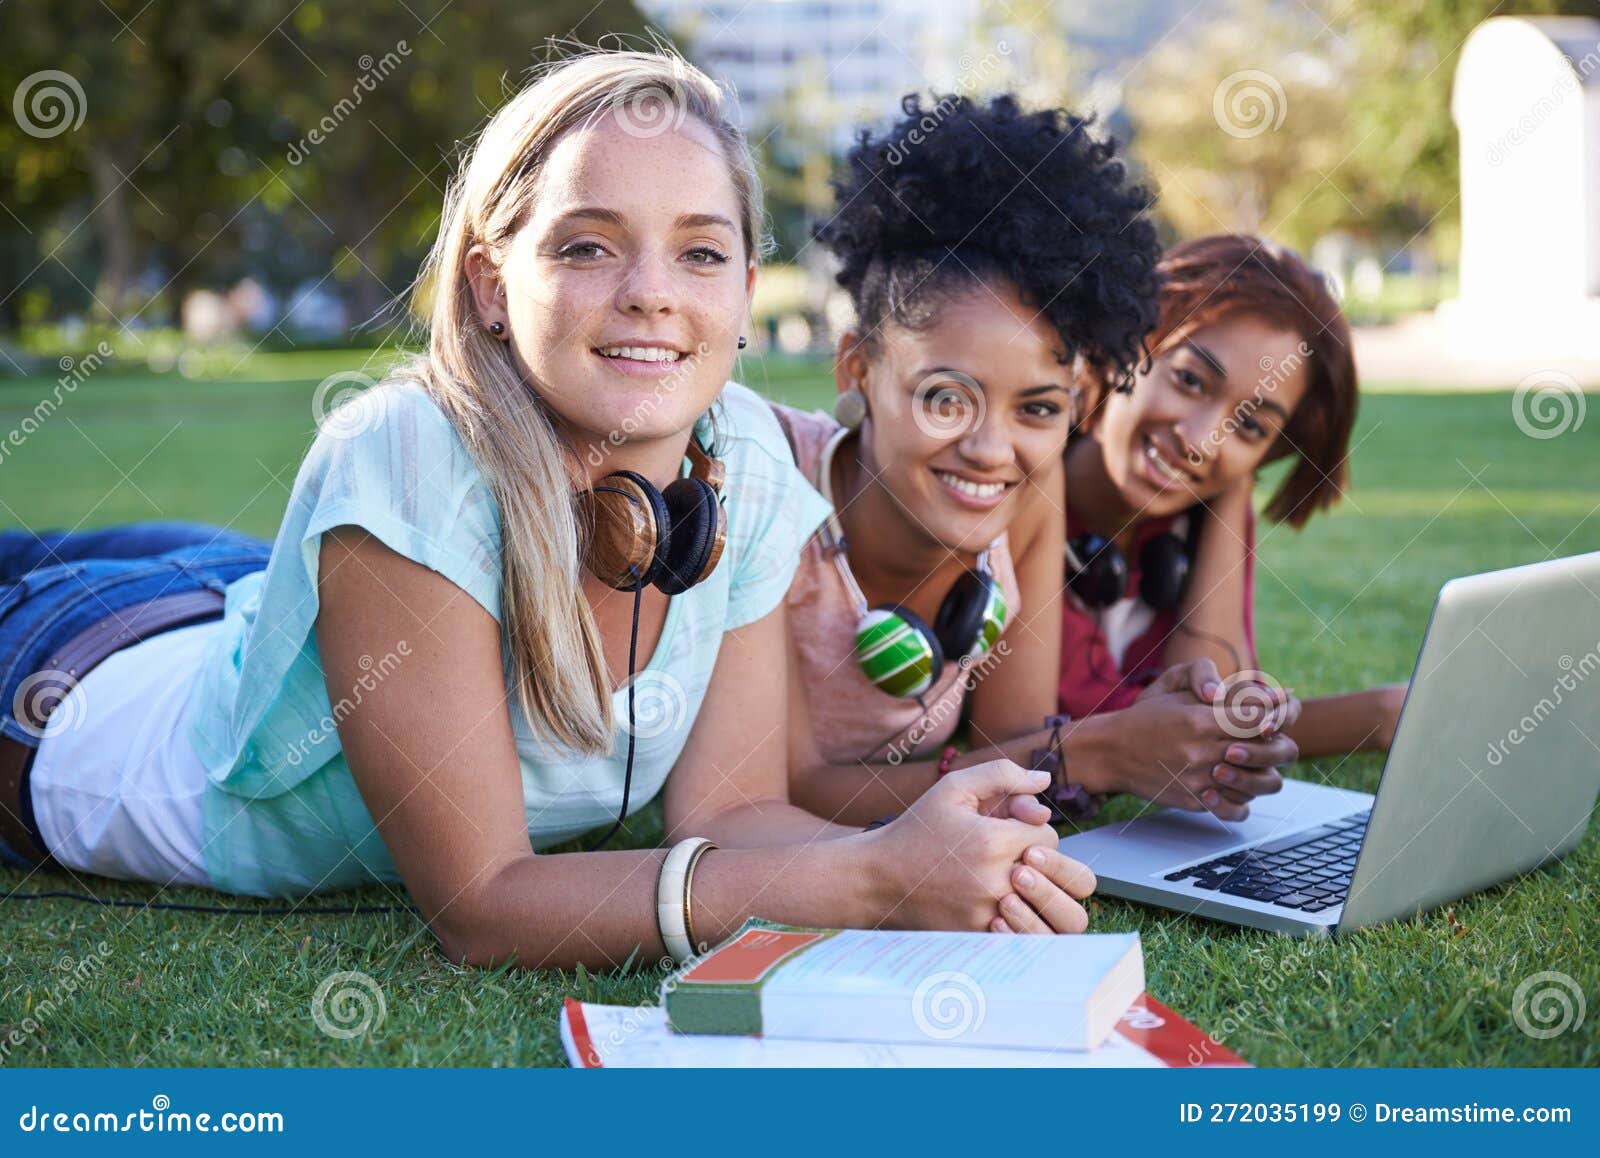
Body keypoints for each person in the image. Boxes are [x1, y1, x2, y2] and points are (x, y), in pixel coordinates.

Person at [0, 50, 1099, 968]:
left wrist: (932, 852)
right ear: (488, 283)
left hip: (225, 600)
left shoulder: (750, 461)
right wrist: (870, 880)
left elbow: (733, 817)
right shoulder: (405, 460)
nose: (651, 292)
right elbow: (481, 902)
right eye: (586, 245)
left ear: (743, 294)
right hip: (69, 690)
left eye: (701, 251)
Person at [779, 98, 1299, 834]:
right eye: (946, 398)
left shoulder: (1027, 494)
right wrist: (1092, 753)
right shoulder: (775, 490)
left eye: (1038, 409)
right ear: (857, 367)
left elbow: (1007, 755)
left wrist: (1140, 731)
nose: (992, 451)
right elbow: (785, 792)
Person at [1058, 233, 1405, 767]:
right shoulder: (1021, 493)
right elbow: (1175, 737)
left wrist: (1387, 713)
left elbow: (1218, 720)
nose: (1201, 440)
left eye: (1251, 426)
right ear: (1129, 343)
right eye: (1189, 380)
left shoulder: (1206, 502)